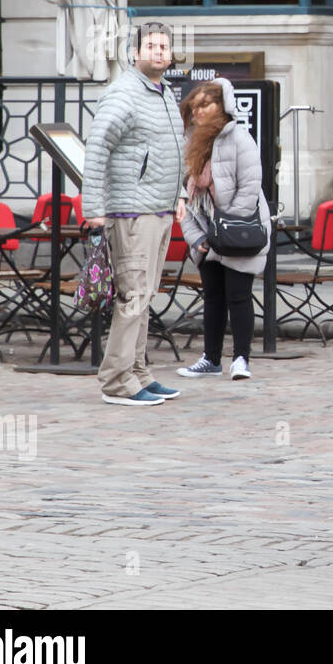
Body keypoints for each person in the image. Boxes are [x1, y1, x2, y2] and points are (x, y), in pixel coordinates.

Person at [82, 21, 187, 406]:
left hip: (158, 208)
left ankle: (138, 372)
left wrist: (179, 194)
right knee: (133, 296)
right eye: (152, 46)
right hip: (131, 210)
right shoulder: (123, 94)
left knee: (144, 295)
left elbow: (174, 148)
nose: (160, 52)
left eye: (165, 46)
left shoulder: (163, 93)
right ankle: (116, 380)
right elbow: (97, 150)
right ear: (135, 53)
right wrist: (93, 209)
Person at [176, 78, 271, 381]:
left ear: (223, 105)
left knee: (239, 296)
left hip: (237, 233)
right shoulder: (191, 142)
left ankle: (241, 358)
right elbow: (184, 197)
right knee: (213, 296)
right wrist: (199, 237)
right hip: (207, 235)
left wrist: (226, 230)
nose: (199, 112)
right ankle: (211, 358)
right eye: (195, 106)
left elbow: (250, 188)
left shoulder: (240, 139)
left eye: (206, 105)